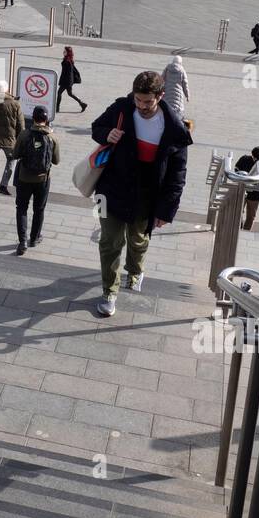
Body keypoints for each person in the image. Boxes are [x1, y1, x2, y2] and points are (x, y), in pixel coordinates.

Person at [91, 71, 191, 316]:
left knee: (138, 239)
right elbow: (96, 127)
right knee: (109, 241)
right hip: (110, 189)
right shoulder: (122, 109)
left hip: (147, 195)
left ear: (160, 96)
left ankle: (135, 270)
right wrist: (107, 134)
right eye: (138, 100)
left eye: (147, 102)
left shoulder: (174, 128)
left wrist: (167, 210)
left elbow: (177, 175)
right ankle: (109, 292)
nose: (142, 106)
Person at [12, 106, 59, 255]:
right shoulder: (52, 137)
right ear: (46, 120)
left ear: (33, 118)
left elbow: (16, 154)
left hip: (24, 177)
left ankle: (22, 242)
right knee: (39, 209)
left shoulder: (24, 135)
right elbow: (56, 160)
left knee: (21, 208)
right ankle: (34, 238)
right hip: (43, 179)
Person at [233, 146, 259, 230]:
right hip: (241, 191)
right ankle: (237, 227)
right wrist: (241, 176)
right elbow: (236, 169)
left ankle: (246, 230)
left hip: (255, 195)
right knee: (237, 211)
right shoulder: (244, 159)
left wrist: (258, 184)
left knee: (251, 215)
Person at [58, 45, 88, 112]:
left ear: (68, 52)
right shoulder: (68, 59)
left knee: (59, 93)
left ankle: (57, 108)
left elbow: (69, 73)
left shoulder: (67, 61)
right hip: (67, 81)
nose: (63, 52)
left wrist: (66, 82)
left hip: (66, 81)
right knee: (70, 94)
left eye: (65, 51)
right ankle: (82, 104)